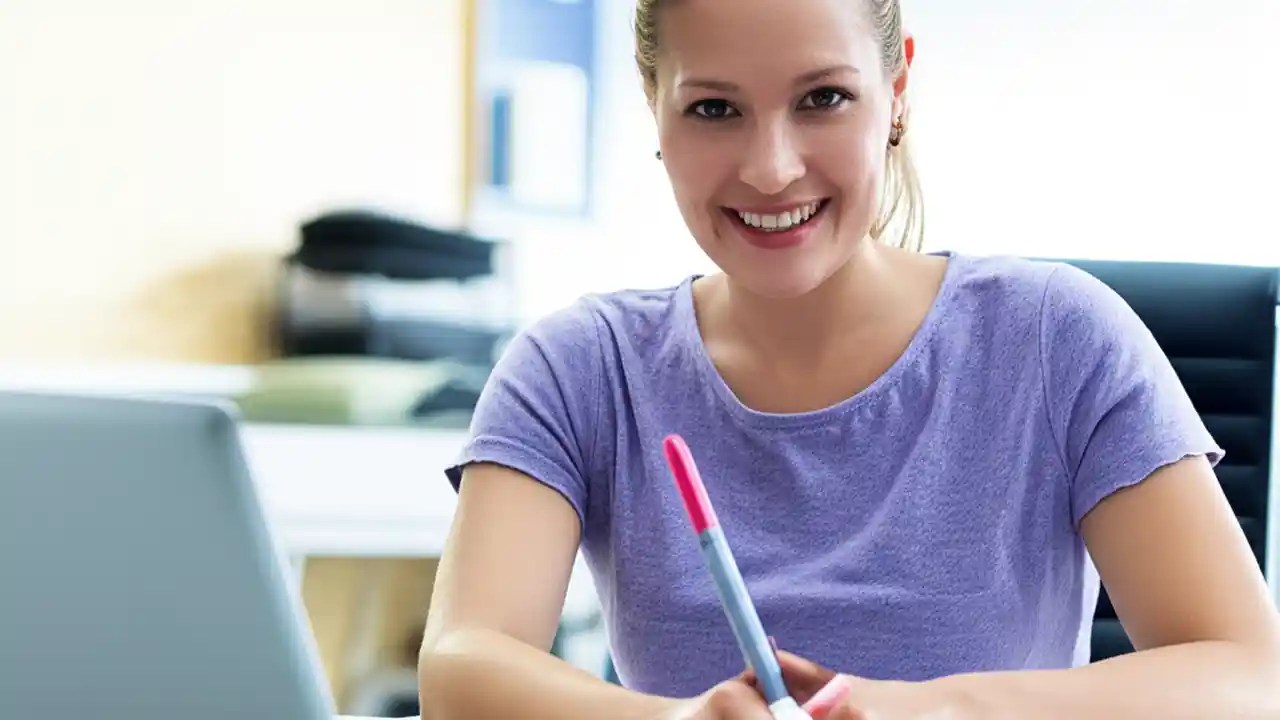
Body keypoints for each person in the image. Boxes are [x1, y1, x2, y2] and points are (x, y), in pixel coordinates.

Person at [418, 0, 1280, 717]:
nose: (770, 168)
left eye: (823, 99)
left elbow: (1247, 673)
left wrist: (928, 709)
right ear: (655, 107)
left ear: (897, 88)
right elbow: (460, 668)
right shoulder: (579, 368)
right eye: (714, 108)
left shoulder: (1061, 339)